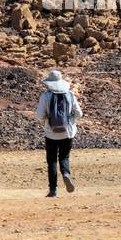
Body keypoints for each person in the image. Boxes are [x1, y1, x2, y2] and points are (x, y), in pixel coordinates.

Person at [34, 69, 83, 198]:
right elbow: (79, 113)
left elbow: (39, 116)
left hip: (51, 133)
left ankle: (53, 191)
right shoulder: (70, 95)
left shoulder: (46, 96)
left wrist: (46, 119)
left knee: (51, 161)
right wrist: (70, 120)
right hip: (68, 132)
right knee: (64, 157)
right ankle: (66, 174)